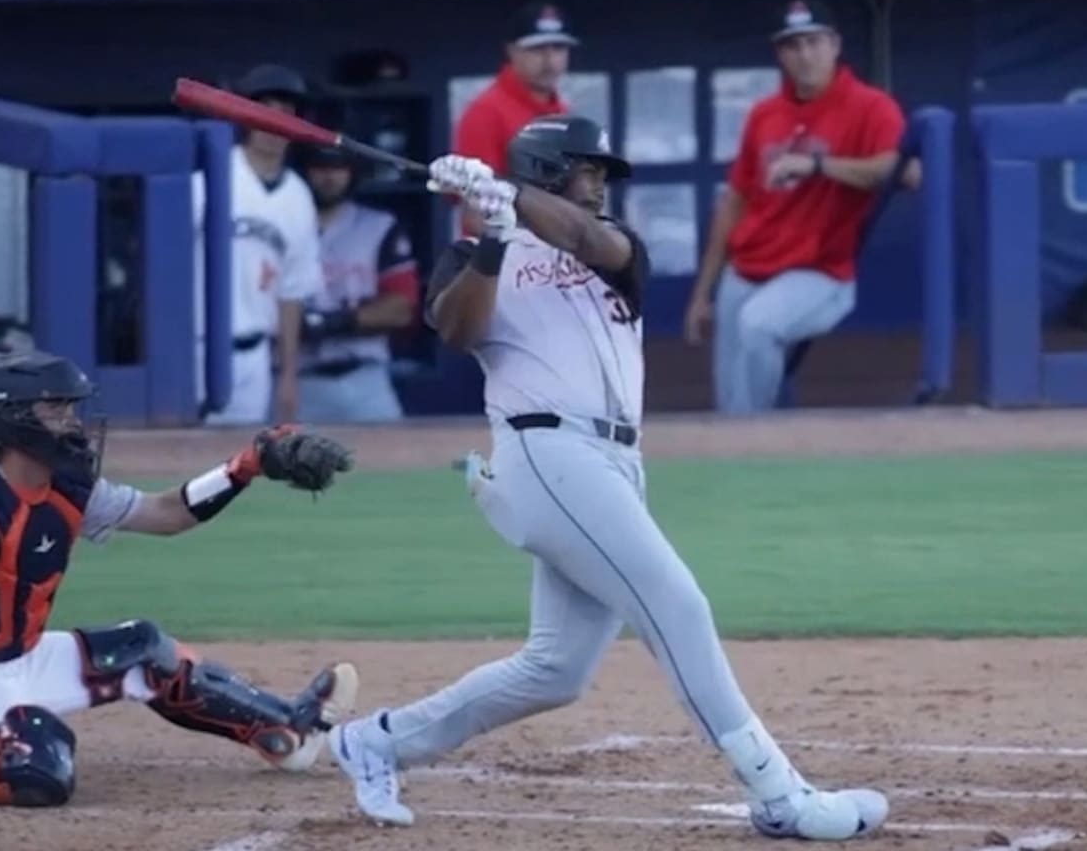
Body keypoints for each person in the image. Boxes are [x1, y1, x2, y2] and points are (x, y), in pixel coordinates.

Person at [325, 117, 889, 841]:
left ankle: (376, 742)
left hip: (616, 462)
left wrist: (507, 196)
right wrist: (495, 230)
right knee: (676, 604)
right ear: (550, 169)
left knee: (556, 669)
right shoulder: (470, 252)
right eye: (588, 170)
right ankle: (778, 794)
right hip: (546, 455)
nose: (600, 184)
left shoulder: (613, 249)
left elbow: (590, 240)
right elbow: (459, 330)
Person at [0, 350, 358, 807]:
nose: (72, 423)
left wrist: (247, 465)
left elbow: (166, 513)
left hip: (18, 661)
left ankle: (285, 730)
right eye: (57, 410)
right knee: (40, 766)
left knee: (144, 649)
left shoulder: (67, 488)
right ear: (11, 419)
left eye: (71, 408)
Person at [683, 0, 915, 414]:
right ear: (780, 53)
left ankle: (765, 444)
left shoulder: (870, 106)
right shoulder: (764, 113)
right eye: (792, 45)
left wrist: (817, 165)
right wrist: (702, 294)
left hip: (820, 272)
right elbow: (734, 203)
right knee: (731, 404)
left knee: (759, 327)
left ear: (835, 44)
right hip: (748, 267)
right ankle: (744, 459)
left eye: (813, 41)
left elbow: (909, 173)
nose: (804, 55)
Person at [203, 64, 323, 425]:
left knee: (239, 469)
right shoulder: (210, 173)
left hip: (254, 355)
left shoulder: (299, 196)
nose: (274, 124)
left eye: (286, 115)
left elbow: (293, 291)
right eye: (264, 112)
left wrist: (288, 375)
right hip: (195, 349)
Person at [297, 146, 419, 423]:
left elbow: (402, 308)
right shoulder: (281, 223)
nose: (329, 176)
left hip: (364, 377)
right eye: (320, 167)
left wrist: (336, 321)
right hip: (295, 377)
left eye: (338, 168)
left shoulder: (378, 226)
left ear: (353, 173)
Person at [453, 0, 579, 236]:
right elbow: (475, 213)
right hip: (503, 261)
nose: (549, 60)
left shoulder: (563, 113)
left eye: (558, 48)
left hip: (554, 258)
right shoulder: (485, 112)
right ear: (511, 51)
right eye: (537, 49)